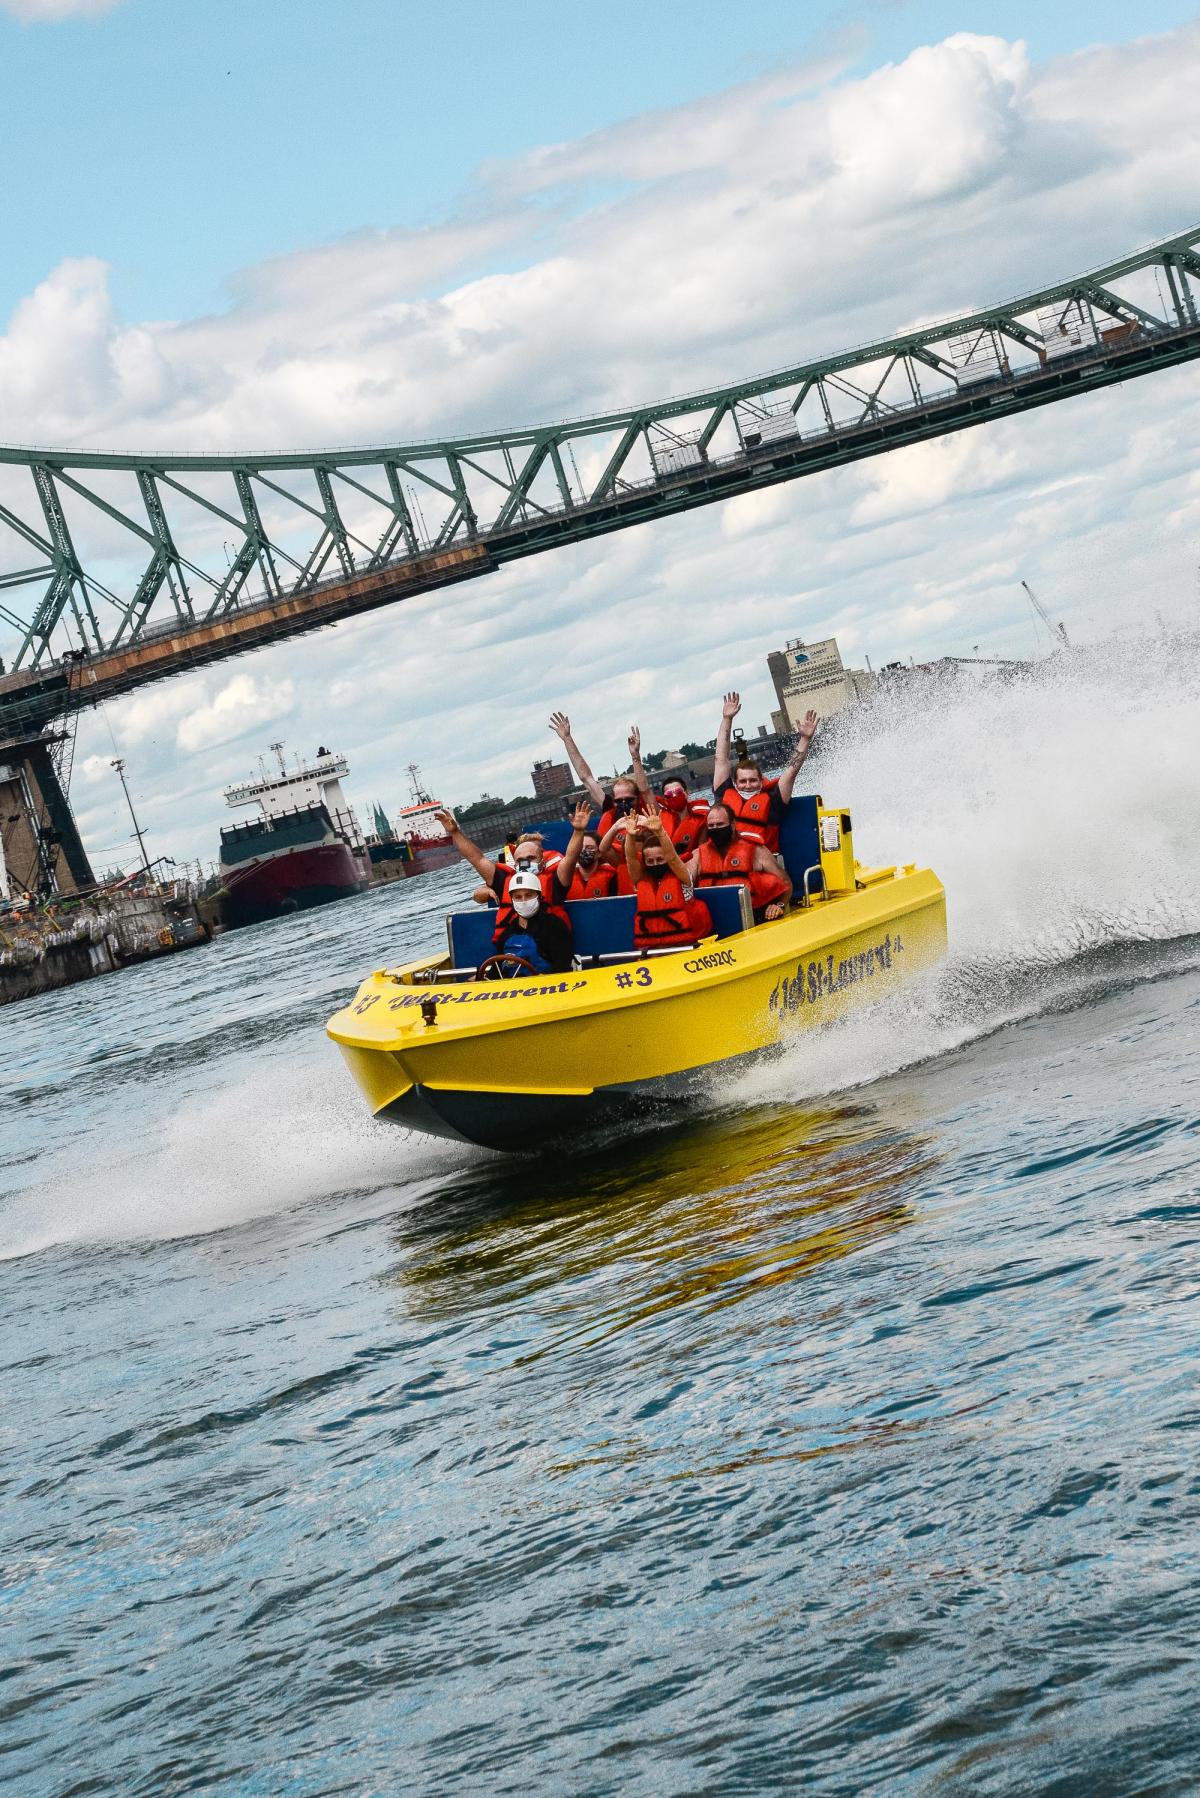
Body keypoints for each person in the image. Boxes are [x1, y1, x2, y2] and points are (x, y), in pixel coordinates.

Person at [435, 800, 590, 945]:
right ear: (514, 863)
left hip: (551, 951)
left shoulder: (556, 880)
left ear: (542, 860)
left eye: (531, 858)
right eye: (521, 860)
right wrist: (455, 833)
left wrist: (578, 831)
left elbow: (570, 857)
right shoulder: (504, 881)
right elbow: (476, 858)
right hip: (512, 953)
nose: (526, 863)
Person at [712, 692, 819, 853]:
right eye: (743, 781)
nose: (748, 785)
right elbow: (721, 758)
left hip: (764, 865)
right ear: (735, 783)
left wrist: (804, 739)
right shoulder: (723, 794)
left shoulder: (774, 800)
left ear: (761, 781)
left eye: (752, 780)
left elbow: (792, 769)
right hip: (727, 864)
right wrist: (727, 719)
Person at [625, 805, 713, 950]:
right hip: (652, 949)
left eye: (660, 860)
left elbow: (672, 858)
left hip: (685, 946)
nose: (655, 864)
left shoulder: (682, 876)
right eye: (650, 861)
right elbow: (630, 858)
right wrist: (630, 835)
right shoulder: (641, 879)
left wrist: (660, 832)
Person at [689, 803, 792, 920]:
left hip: (752, 917)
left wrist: (779, 905)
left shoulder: (756, 850)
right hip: (713, 919)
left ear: (732, 825)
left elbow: (786, 883)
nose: (716, 829)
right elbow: (684, 886)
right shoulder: (698, 855)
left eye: (720, 824)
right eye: (711, 826)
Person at [489, 871, 575, 972]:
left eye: (529, 895)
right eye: (518, 897)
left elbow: (562, 967)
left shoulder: (555, 926)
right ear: (512, 900)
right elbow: (496, 971)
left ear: (538, 896)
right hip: (514, 986)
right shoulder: (507, 934)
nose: (524, 901)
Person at [569, 830, 617, 899]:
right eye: (580, 847)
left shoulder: (611, 876)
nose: (583, 851)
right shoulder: (567, 876)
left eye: (589, 848)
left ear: (599, 853)